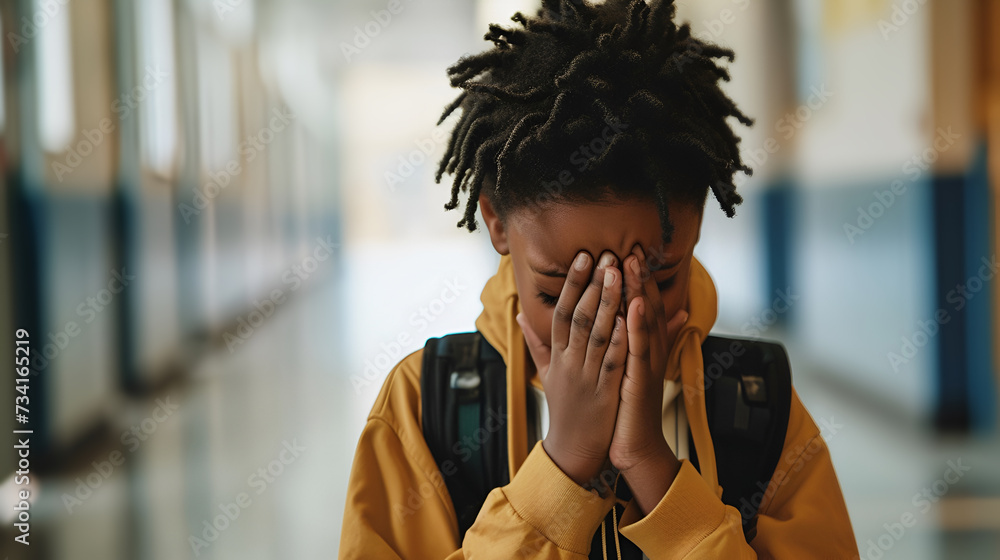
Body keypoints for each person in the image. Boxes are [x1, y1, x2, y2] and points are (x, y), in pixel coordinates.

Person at [339, 0, 858, 557]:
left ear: (697, 225)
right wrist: (562, 466)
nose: (612, 325)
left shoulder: (760, 405)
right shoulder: (424, 412)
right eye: (558, 292)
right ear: (496, 222)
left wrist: (653, 468)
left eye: (657, 281)